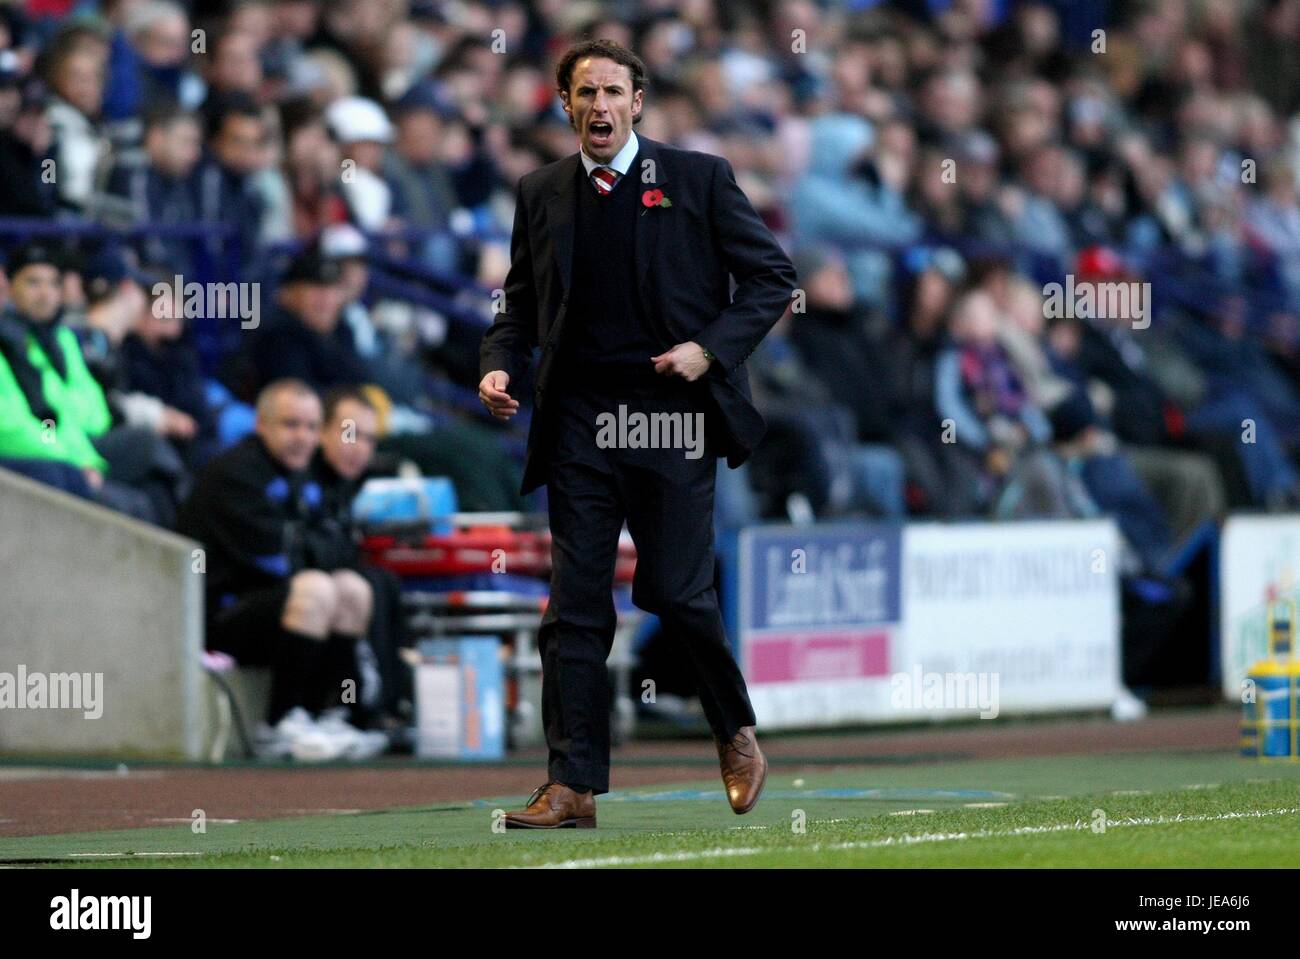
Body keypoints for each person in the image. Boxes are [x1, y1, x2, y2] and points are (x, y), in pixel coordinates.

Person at [478, 39, 796, 827]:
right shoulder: (541, 190)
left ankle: (735, 730)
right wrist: (498, 364)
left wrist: (709, 350)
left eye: (613, 91)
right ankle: (572, 784)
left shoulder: (698, 179)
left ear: (639, 101)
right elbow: (519, 302)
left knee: (677, 593)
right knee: (574, 606)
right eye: (584, 92)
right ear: (564, 104)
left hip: (670, 415)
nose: (599, 106)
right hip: (581, 420)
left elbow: (773, 280)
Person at [176, 378, 386, 761]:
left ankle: (332, 714)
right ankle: (279, 723)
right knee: (316, 587)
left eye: (310, 427)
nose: (302, 437)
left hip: (274, 610)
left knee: (353, 588)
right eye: (290, 424)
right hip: (219, 619)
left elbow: (337, 549)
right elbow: (280, 558)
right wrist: (315, 548)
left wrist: (315, 548)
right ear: (262, 424)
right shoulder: (236, 474)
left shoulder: (303, 475)